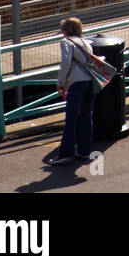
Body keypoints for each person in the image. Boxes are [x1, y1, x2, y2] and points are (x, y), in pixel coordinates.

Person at [46, 17, 97, 164]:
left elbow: (66, 61)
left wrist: (61, 82)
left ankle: (65, 154)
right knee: (87, 117)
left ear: (65, 30)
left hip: (76, 83)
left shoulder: (66, 42)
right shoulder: (86, 43)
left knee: (71, 119)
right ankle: (84, 151)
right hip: (89, 82)